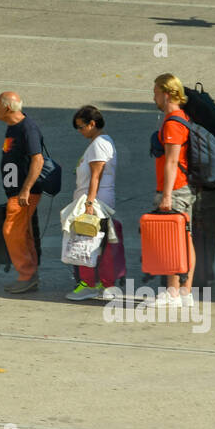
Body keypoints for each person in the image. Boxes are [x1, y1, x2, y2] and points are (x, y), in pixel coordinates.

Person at [65, 105, 123, 301]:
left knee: (86, 244)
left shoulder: (99, 144)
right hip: (98, 200)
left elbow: (95, 176)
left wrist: (89, 203)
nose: (80, 131)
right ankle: (99, 283)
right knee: (97, 245)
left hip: (96, 202)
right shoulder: (101, 142)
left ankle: (91, 284)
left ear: (92, 123)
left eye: (81, 127)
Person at [150, 74, 196, 306]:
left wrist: (166, 195)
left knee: (172, 240)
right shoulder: (181, 117)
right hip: (182, 187)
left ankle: (173, 292)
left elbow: (171, 161)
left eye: (156, 91)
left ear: (166, 93)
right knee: (185, 239)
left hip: (175, 188)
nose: (154, 96)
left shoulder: (173, 123)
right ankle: (185, 292)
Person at [0, 92, 46, 294]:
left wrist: (25, 189)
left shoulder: (27, 128)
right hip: (15, 191)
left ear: (7, 108)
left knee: (12, 231)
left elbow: (38, 160)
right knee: (23, 233)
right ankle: (29, 275)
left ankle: (26, 275)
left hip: (24, 193)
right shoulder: (13, 127)